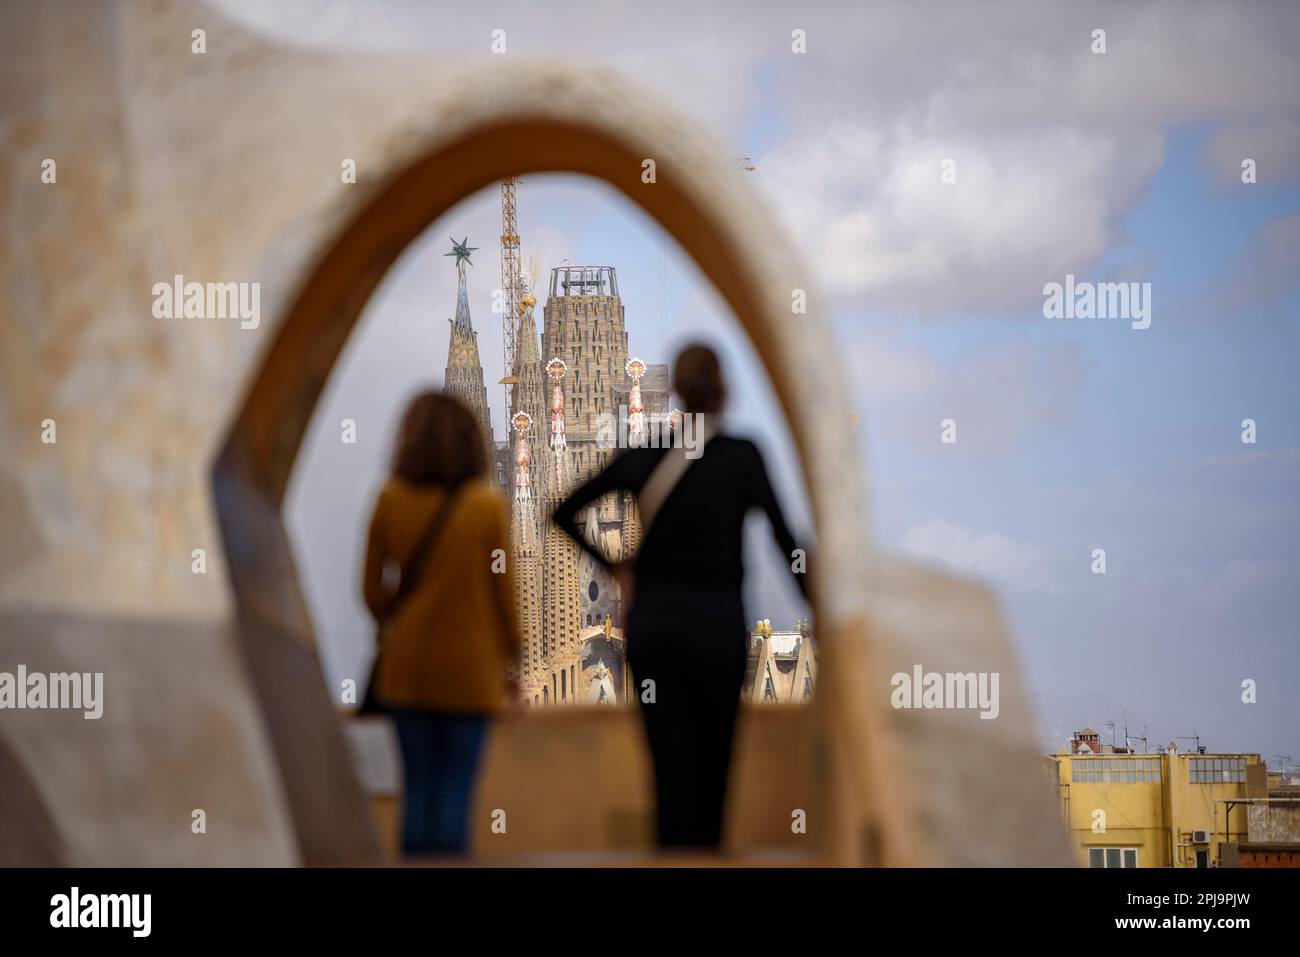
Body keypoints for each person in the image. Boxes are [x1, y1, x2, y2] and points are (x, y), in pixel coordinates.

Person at [552, 343, 809, 850]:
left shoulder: (647, 456)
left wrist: (617, 567)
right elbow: (786, 541)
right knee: (714, 774)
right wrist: (814, 606)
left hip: (656, 630)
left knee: (668, 776)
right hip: (717, 628)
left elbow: (564, 510)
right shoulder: (742, 456)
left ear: (676, 395)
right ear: (723, 393)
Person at [362, 391, 522, 856]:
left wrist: (404, 617)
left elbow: (370, 591)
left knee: (417, 793)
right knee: (455, 794)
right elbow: (504, 599)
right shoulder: (486, 507)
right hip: (470, 675)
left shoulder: (389, 501)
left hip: (407, 674)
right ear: (472, 441)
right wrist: (513, 660)